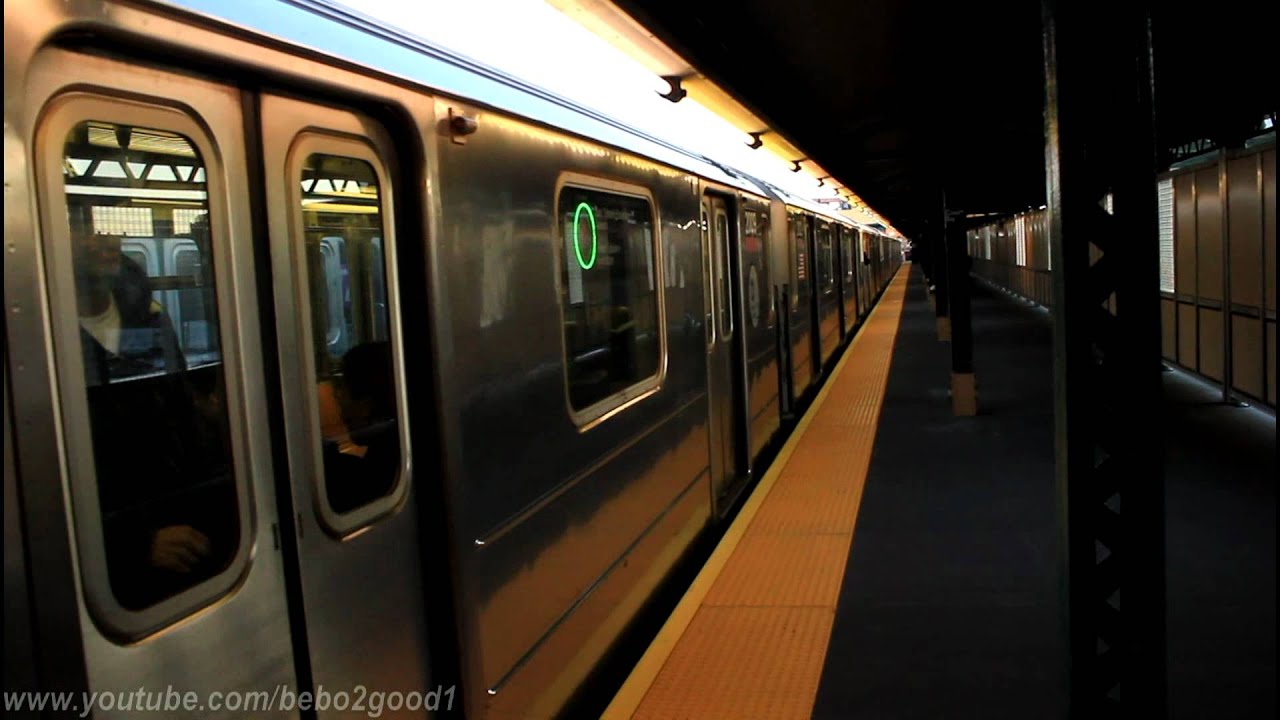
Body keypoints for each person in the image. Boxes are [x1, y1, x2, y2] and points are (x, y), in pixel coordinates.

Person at [73, 226, 234, 609]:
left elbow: (185, 426)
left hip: (189, 533)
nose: (105, 239)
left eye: (109, 228)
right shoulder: (34, 335)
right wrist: (131, 543)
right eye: (84, 226)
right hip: (109, 576)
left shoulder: (149, 318)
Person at [321, 341, 400, 514]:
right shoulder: (394, 450)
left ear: (366, 404)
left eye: (342, 387)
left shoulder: (374, 474)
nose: (336, 396)